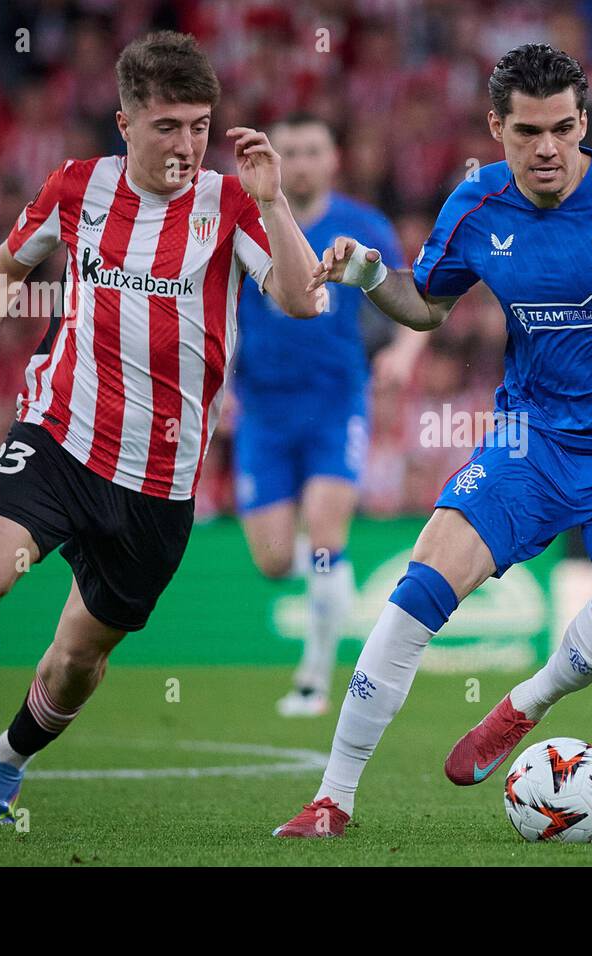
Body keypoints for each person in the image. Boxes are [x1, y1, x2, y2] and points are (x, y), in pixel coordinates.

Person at [274, 43, 592, 839]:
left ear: (583, 124)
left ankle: (524, 704)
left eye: (564, 129)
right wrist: (368, 272)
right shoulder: (474, 206)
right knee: (421, 586)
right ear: (496, 127)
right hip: (531, 441)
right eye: (528, 131)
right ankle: (333, 798)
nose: (548, 149)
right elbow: (426, 306)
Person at [0, 30, 322, 825]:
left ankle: (5, 764)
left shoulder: (229, 204)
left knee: (78, 658)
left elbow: (299, 299)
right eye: (167, 127)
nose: (187, 145)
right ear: (126, 124)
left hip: (160, 482)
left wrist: (275, 201)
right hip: (60, 436)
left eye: (198, 125)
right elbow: (0, 269)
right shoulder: (77, 187)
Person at [230, 113, 410, 717]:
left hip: (337, 402)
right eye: (291, 152)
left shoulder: (363, 226)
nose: (301, 162)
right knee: (276, 560)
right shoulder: (245, 220)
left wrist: (405, 354)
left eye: (312, 150)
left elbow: (415, 297)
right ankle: (317, 581)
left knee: (327, 539)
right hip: (263, 412)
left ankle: (314, 680)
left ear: (333, 159)